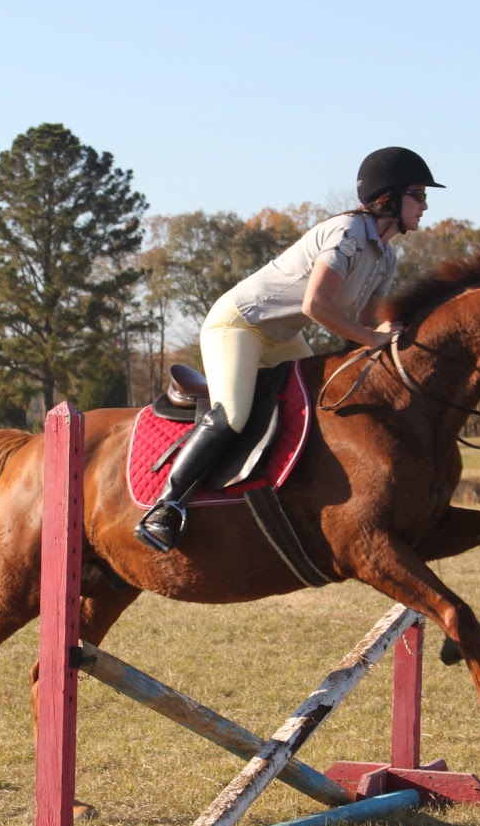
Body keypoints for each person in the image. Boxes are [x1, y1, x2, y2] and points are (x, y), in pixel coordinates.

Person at [135, 146, 443, 551]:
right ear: (390, 195)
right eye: (418, 195)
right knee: (234, 415)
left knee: (321, 407)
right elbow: (315, 306)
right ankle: (166, 507)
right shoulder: (348, 233)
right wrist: (374, 338)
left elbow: (364, 328)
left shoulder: (386, 257)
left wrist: (389, 336)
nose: (424, 205)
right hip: (239, 323)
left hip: (280, 336)